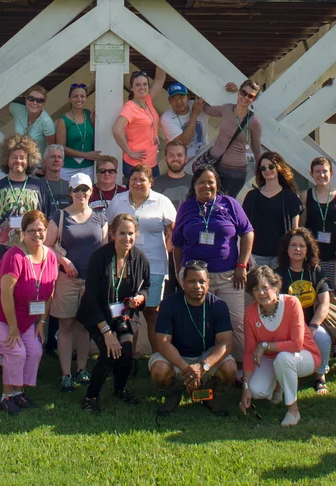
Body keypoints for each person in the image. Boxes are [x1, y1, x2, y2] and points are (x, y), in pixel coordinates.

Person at [169, 165, 254, 373]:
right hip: (194, 278)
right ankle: (201, 366)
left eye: (210, 182)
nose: (206, 186)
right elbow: (177, 244)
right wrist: (181, 273)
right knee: (199, 322)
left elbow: (247, 232)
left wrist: (242, 265)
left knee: (235, 322)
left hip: (228, 276)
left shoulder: (230, 205)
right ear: (194, 185)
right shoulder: (186, 208)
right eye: (201, 182)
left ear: (217, 185)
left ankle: (240, 369)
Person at [0, 209, 59, 414]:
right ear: (23, 232)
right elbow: (6, 294)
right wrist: (13, 328)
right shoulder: (15, 256)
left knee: (35, 350)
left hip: (24, 315)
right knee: (16, 351)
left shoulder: (50, 256)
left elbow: (49, 291)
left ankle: (18, 393)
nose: (37, 234)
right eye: (31, 230)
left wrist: (41, 323)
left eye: (41, 230)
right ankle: (6, 397)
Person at [78, 213, 151, 412]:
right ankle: (90, 397)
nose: (126, 238)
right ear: (112, 234)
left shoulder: (139, 258)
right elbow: (91, 298)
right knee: (110, 351)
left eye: (130, 234)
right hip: (97, 315)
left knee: (126, 351)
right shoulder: (99, 258)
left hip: (122, 315)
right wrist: (106, 332)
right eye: (121, 233)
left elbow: (146, 286)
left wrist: (141, 298)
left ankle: (120, 390)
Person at [151, 261, 238, 415]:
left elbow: (226, 343)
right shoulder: (168, 304)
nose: (197, 286)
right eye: (191, 281)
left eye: (202, 281)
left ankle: (210, 394)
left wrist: (203, 366)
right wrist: (187, 368)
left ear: (208, 283)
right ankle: (172, 395)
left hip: (206, 357)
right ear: (183, 283)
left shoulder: (219, 305)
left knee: (230, 369)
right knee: (159, 370)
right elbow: (162, 343)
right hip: (177, 357)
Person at [241, 265, 321, 427]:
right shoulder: (250, 312)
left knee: (283, 359)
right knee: (257, 391)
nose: (261, 293)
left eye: (265, 287)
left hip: (305, 354)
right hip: (272, 358)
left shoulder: (292, 303)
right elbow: (249, 350)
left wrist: (264, 346)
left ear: (275, 286)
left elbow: (297, 345)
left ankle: (293, 410)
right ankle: (278, 384)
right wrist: (245, 386)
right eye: (256, 289)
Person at [47, 174, 107, 391]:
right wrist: (63, 260)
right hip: (67, 280)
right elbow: (46, 246)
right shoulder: (60, 216)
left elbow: (105, 250)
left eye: (85, 189)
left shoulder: (100, 218)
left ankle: (82, 369)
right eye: (76, 189)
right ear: (70, 192)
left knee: (84, 326)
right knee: (65, 325)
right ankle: (66, 373)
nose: (81, 194)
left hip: (91, 283)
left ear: (91, 191)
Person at [107, 164, 178, 337]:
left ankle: (156, 358)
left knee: (152, 313)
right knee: (127, 313)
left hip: (154, 266)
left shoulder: (162, 201)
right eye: (134, 179)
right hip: (124, 267)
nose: (138, 183)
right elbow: (110, 231)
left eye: (142, 180)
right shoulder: (118, 200)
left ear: (151, 182)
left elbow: (173, 232)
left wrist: (166, 250)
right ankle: (128, 358)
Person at [0, 135, 53, 280]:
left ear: (28, 160)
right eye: (14, 157)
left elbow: (48, 225)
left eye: (22, 157)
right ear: (6, 159)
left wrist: (46, 256)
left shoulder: (39, 188)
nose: (18, 161)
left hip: (32, 257)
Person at [277, 227, 334, 393]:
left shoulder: (316, 272)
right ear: (286, 248)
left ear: (308, 249)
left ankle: (320, 376)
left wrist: (313, 326)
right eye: (293, 245)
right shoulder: (277, 274)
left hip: (311, 324)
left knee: (322, 338)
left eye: (302, 246)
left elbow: (324, 303)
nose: (297, 249)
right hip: (287, 325)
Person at [202, 79, 264, 196]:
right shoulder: (226, 109)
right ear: (238, 92)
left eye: (250, 96)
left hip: (235, 172)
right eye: (243, 93)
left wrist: (260, 167)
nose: (245, 97)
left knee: (225, 206)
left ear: (253, 100)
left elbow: (256, 145)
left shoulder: (254, 121)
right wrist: (222, 90)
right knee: (207, 200)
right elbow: (207, 109)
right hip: (214, 165)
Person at [242, 152, 303, 270]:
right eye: (263, 168)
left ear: (279, 168)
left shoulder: (290, 197)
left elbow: (294, 230)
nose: (267, 170)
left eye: (271, 166)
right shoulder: (252, 196)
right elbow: (244, 228)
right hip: (256, 255)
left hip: (281, 256)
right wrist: (247, 254)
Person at [113, 66, 166, 179]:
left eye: (144, 84)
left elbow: (160, 79)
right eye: (137, 84)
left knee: (153, 195)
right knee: (139, 195)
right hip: (136, 164)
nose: (142, 87)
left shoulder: (147, 101)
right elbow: (116, 130)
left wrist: (160, 54)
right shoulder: (130, 107)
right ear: (132, 88)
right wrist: (129, 152)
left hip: (152, 162)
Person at [303, 156, 336, 286]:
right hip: (313, 255)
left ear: (331, 174)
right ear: (311, 174)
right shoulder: (305, 195)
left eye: (325, 171)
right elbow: (302, 226)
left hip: (335, 256)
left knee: (333, 292)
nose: (321, 175)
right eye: (317, 171)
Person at [0, 78, 58, 152]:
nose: (34, 103)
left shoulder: (47, 122)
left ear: (43, 104)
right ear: (26, 100)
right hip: (19, 157)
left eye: (39, 100)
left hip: (37, 161)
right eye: (31, 98)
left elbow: (52, 148)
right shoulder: (18, 109)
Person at [161, 83, 209, 163]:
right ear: (169, 102)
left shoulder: (198, 105)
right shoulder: (166, 118)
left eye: (181, 97)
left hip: (204, 155)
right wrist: (194, 114)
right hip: (183, 163)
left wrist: (232, 90)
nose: (178, 102)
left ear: (188, 97)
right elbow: (184, 141)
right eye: (174, 99)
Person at [55, 81, 98, 171]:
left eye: (82, 96)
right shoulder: (63, 120)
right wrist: (85, 155)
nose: (79, 99)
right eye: (75, 96)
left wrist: (94, 123)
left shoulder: (89, 114)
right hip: (68, 168)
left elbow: (96, 136)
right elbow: (61, 147)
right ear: (69, 99)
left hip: (89, 166)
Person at [37, 143, 73, 218]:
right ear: (44, 162)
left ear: (63, 163)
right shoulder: (37, 185)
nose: (56, 160)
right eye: (52, 157)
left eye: (59, 157)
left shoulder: (68, 186)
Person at [152, 140, 193, 205]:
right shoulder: (153, 184)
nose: (175, 158)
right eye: (171, 155)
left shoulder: (195, 182)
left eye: (179, 155)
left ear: (185, 159)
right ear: (165, 159)